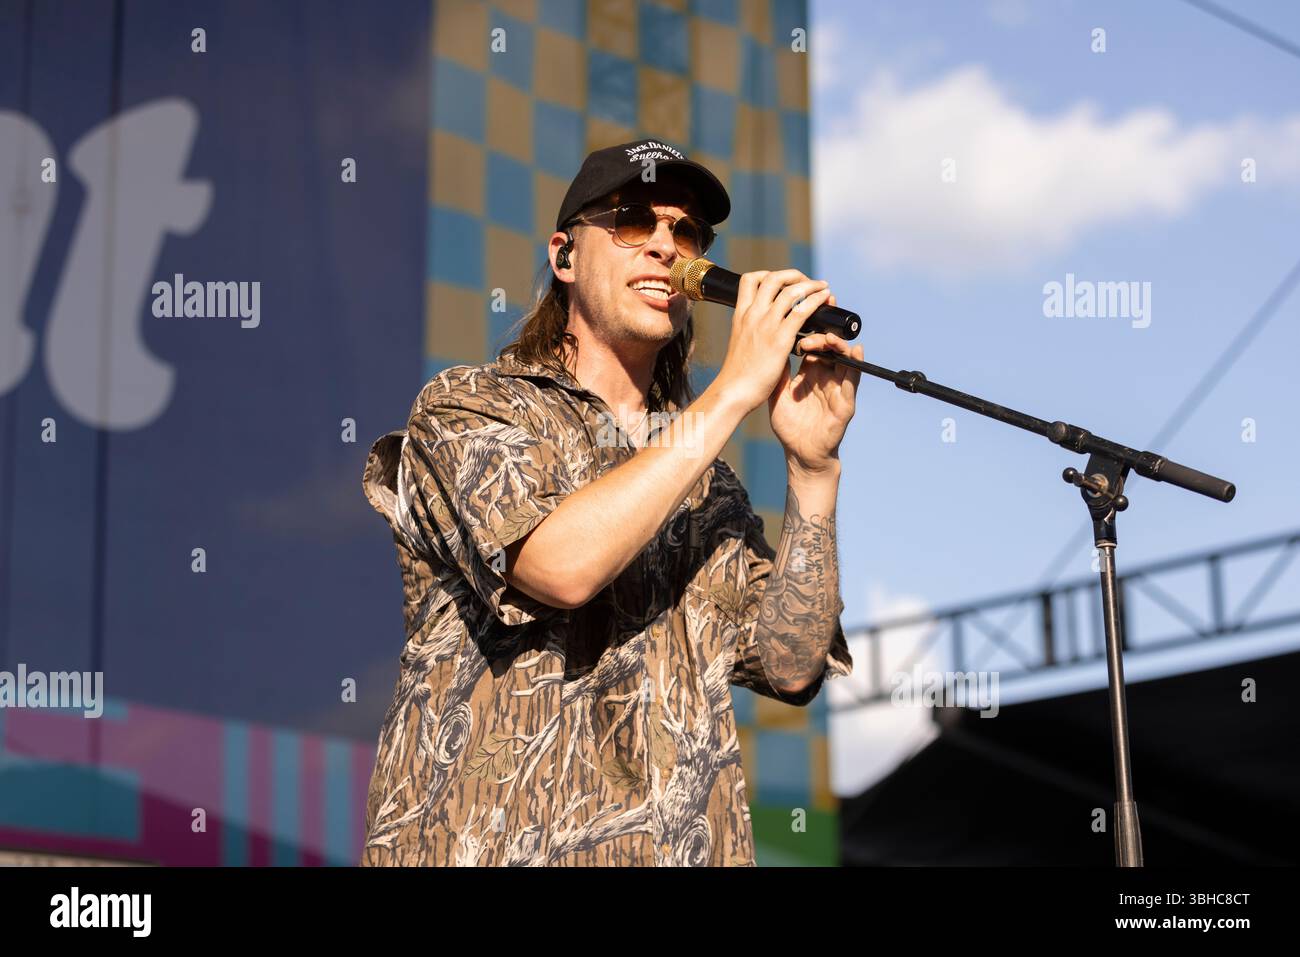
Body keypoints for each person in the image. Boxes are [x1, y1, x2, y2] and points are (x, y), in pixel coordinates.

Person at [360, 138, 860, 866]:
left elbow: (789, 665)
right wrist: (733, 392)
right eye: (632, 220)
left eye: (686, 232)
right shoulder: (472, 406)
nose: (665, 245)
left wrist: (812, 472)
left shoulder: (705, 485)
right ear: (564, 256)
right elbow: (558, 567)